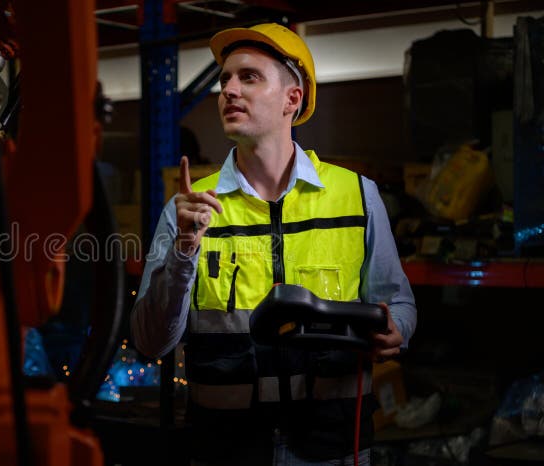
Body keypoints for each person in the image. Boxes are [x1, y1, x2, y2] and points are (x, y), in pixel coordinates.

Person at [130, 23, 416, 466]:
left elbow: (399, 304)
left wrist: (397, 330)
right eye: (225, 79)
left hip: (332, 447)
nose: (229, 90)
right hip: (226, 450)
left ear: (292, 99)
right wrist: (184, 251)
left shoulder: (358, 196)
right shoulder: (189, 209)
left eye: (248, 77)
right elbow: (151, 343)